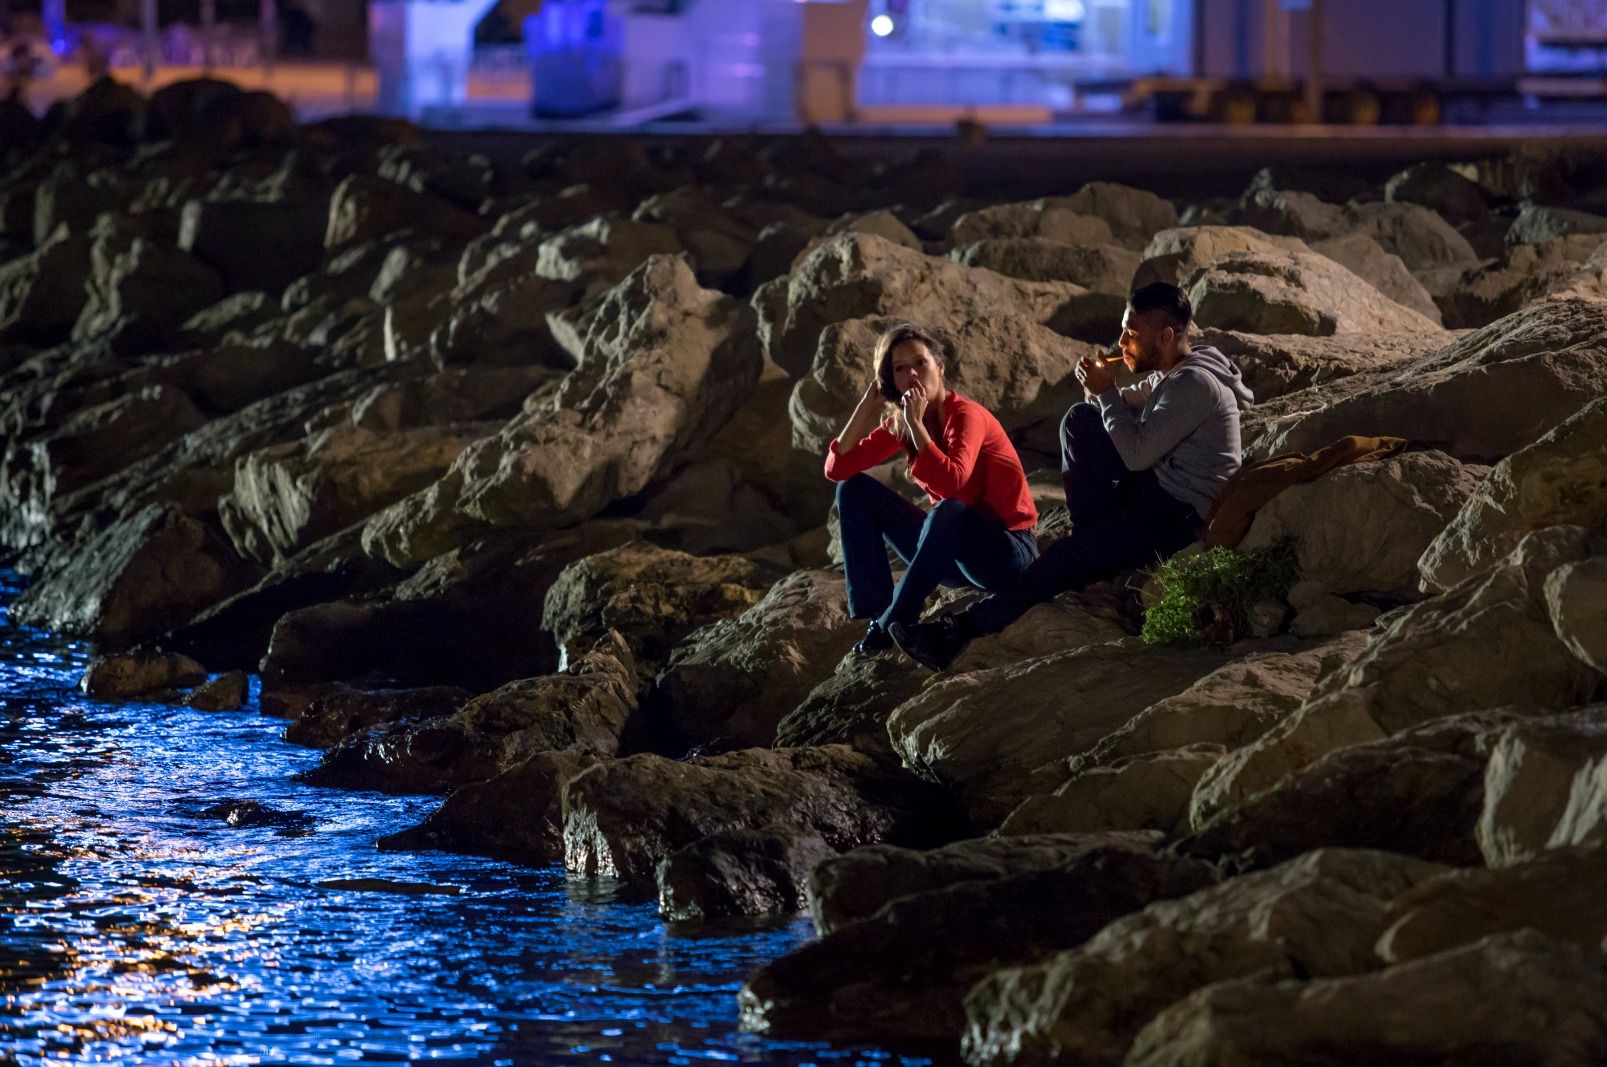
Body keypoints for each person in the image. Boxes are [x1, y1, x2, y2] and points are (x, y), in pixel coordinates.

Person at [891, 282, 1253, 670]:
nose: (1121, 342)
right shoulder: (1174, 373)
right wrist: (1097, 389)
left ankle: (953, 633)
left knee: (1062, 560)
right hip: (1156, 490)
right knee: (1079, 420)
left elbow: (1135, 455)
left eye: (1131, 334)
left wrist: (1108, 394)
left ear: (1165, 336)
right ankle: (1092, 542)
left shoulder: (1196, 384)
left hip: (1178, 515)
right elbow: (1116, 411)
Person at [825, 322, 1039, 656]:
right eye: (899, 368)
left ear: (939, 369)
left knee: (947, 509)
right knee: (853, 490)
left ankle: (894, 620)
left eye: (920, 363)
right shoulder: (903, 422)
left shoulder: (965, 414)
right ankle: (879, 612)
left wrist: (916, 426)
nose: (911, 374)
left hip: (1006, 553)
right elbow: (837, 469)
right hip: (953, 560)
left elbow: (954, 482)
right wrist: (868, 403)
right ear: (890, 380)